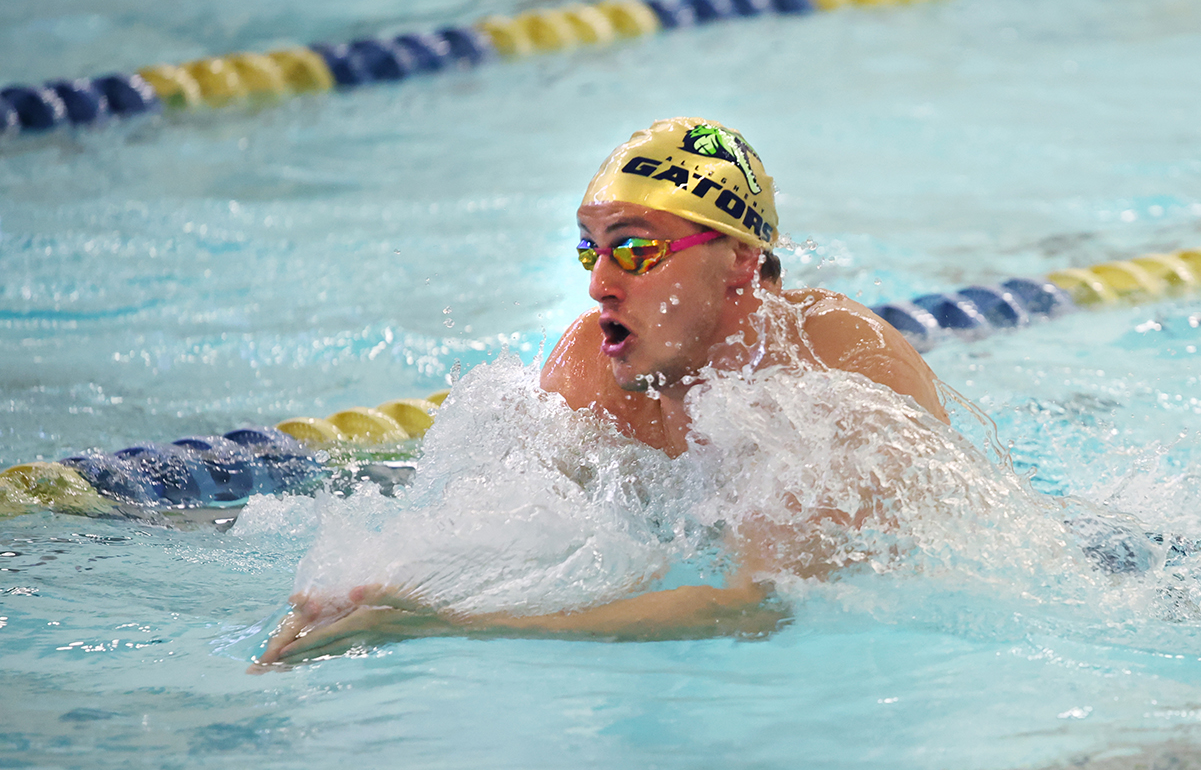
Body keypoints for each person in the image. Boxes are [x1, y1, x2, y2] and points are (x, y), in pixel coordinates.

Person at [257, 118, 951, 666]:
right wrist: (383, 589)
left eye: (635, 249)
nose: (598, 285)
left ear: (740, 259)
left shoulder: (824, 367)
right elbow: (529, 531)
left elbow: (758, 605)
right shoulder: (593, 364)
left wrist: (457, 624)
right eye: (591, 248)